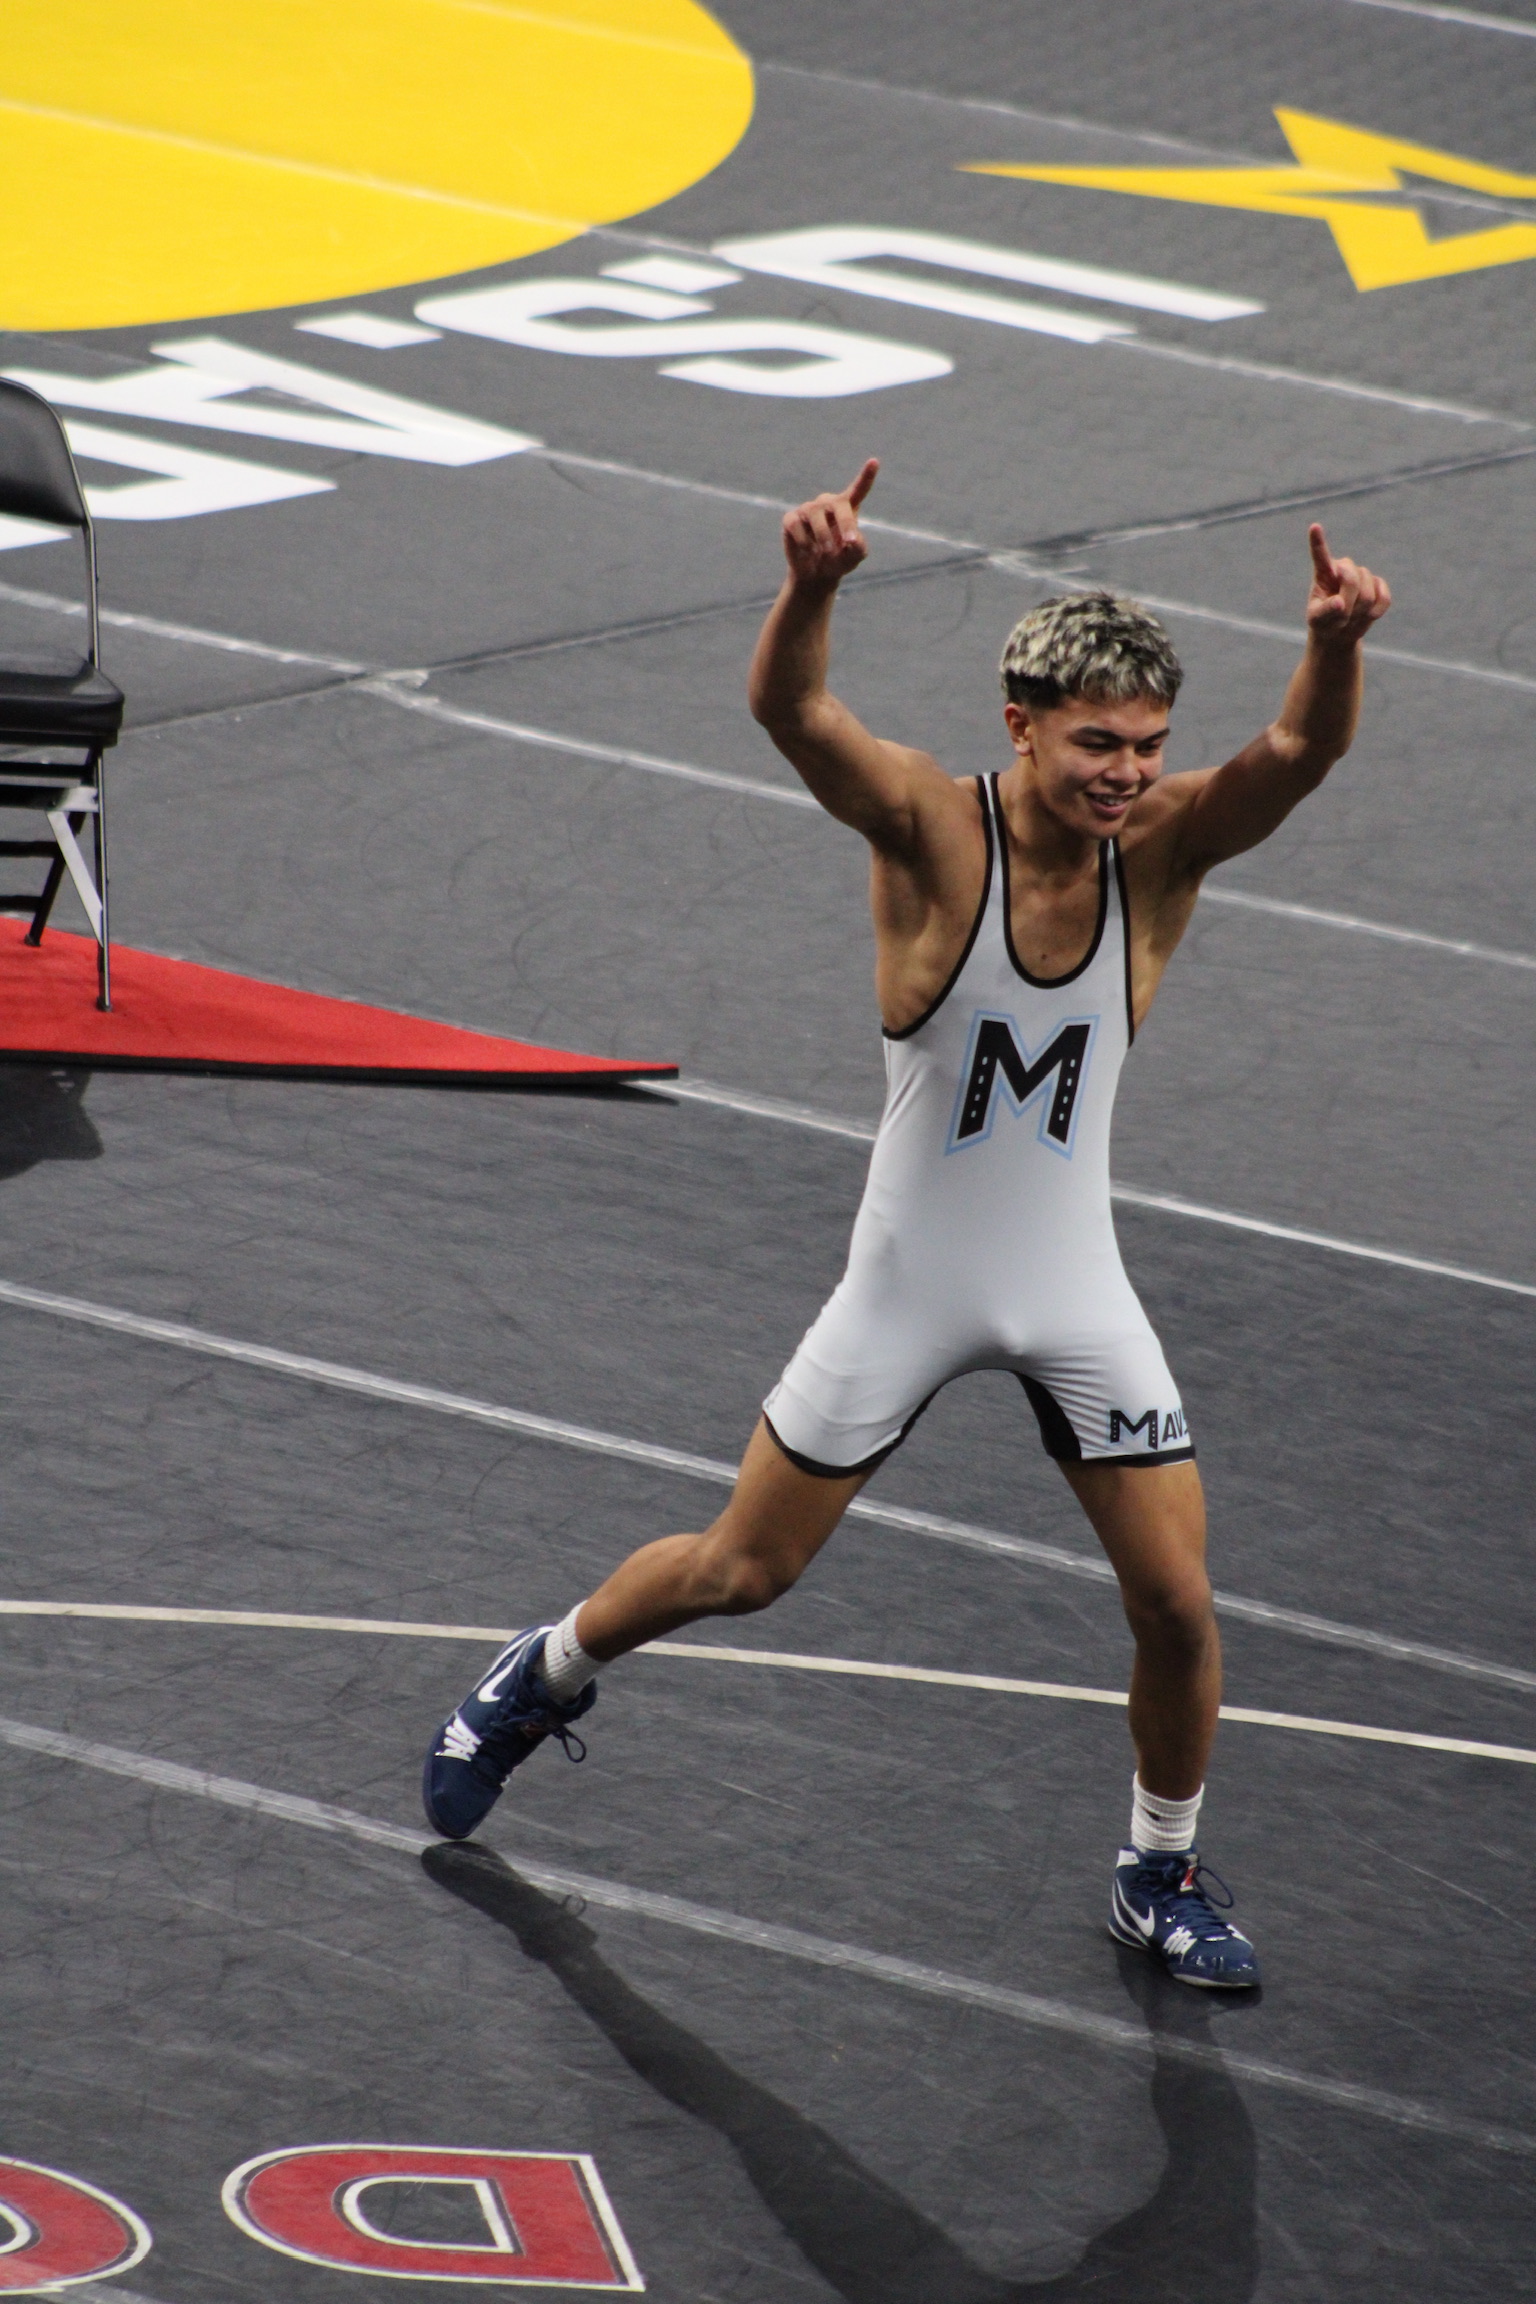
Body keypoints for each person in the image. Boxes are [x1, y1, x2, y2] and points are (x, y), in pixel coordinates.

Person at [423, 460, 1390, 1988]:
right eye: (1097, 743)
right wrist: (809, 589)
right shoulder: (939, 834)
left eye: (1148, 743)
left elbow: (1298, 752)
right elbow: (797, 716)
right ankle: (546, 1670)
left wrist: (1332, 647)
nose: (1128, 773)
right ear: (1022, 725)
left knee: (1178, 1605)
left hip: (1070, 1283)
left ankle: (1158, 1870)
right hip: (910, 1281)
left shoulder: (1168, 846)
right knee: (744, 1570)